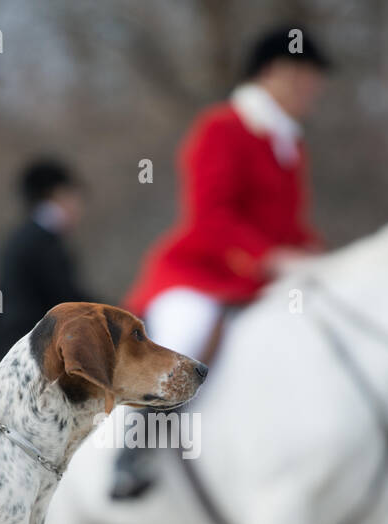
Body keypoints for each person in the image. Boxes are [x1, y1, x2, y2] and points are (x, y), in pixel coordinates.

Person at [113, 24, 331, 498]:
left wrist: (320, 258)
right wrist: (269, 257)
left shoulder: (290, 144)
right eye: (308, 78)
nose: (315, 91)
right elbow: (211, 215)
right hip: (202, 271)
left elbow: (290, 226)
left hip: (263, 280)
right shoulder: (221, 127)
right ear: (277, 73)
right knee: (186, 330)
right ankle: (135, 451)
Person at [0, 158, 94, 369]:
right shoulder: (43, 243)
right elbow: (65, 299)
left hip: (7, 347)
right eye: (74, 198)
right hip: (25, 353)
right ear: (59, 194)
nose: (79, 209)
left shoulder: (24, 237)